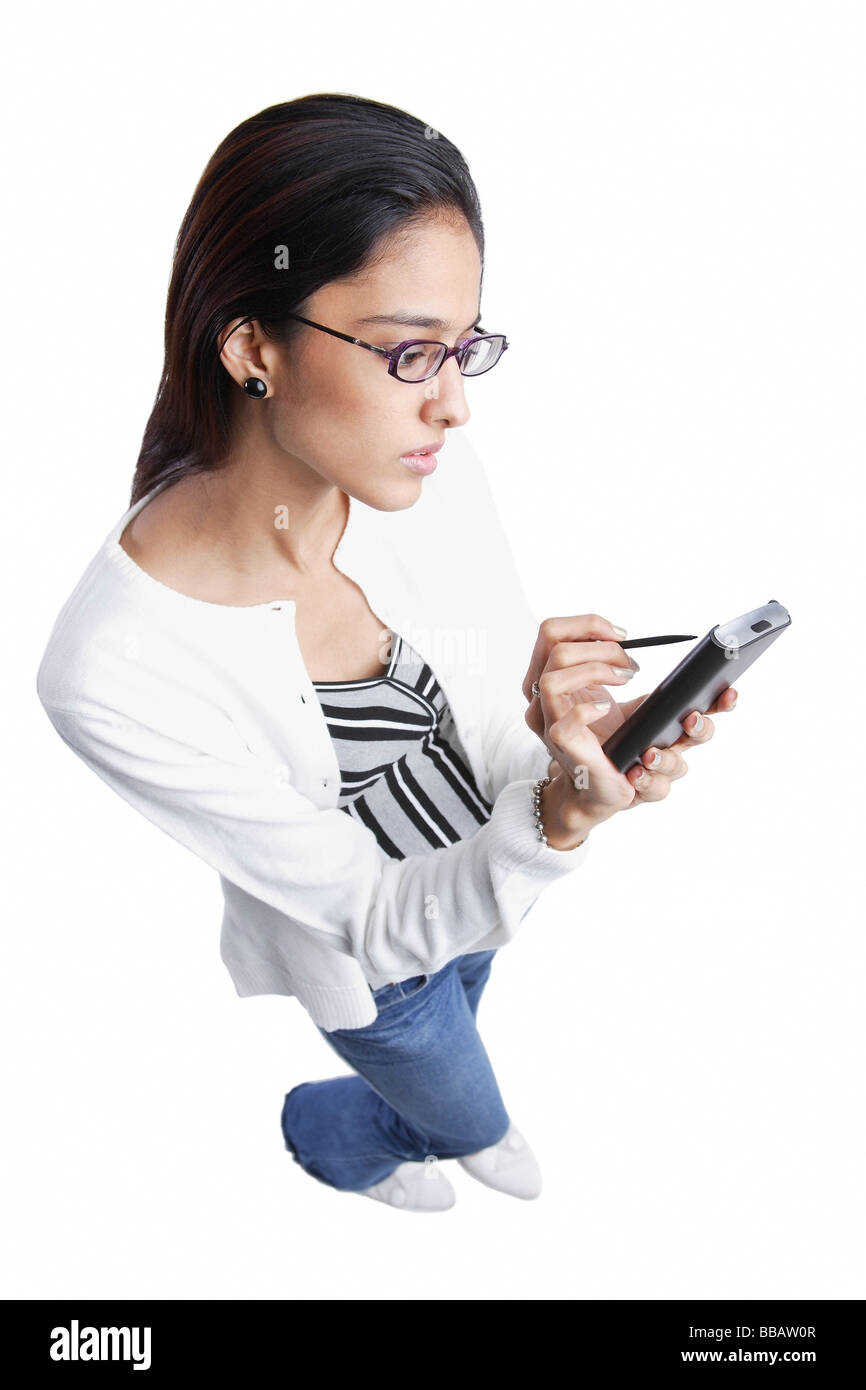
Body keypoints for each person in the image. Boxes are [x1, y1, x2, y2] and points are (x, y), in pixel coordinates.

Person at [35, 93, 738, 1214]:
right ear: (253, 345)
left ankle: (401, 1127)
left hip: (491, 878)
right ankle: (338, 1135)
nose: (453, 407)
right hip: (377, 972)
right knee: (469, 1118)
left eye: (462, 350)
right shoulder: (114, 669)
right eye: (410, 353)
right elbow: (371, 919)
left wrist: (565, 753)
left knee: (472, 983)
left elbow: (493, 742)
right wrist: (549, 825)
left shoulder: (421, 477)